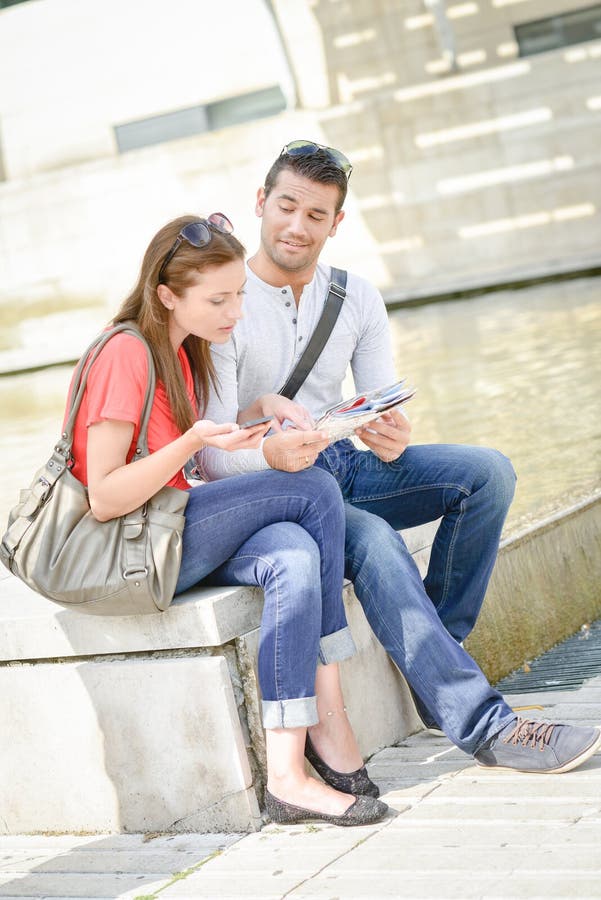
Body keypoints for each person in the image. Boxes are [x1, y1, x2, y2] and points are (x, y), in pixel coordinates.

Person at [196, 141, 601, 776]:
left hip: (344, 465)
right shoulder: (222, 302)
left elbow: (379, 401)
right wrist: (271, 451)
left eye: (316, 215)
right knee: (379, 541)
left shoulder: (356, 297)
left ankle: (438, 653)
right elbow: (211, 457)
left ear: (337, 223)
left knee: (487, 473)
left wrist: (390, 433)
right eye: (286, 206)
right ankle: (485, 724)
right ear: (260, 203)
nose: (297, 226)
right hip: (279, 490)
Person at [66, 212, 388, 827]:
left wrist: (258, 409)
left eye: (239, 293)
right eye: (219, 298)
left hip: (172, 528)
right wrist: (191, 444)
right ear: (165, 295)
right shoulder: (125, 354)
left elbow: (183, 449)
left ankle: (288, 776)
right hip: (131, 549)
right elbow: (105, 497)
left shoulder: (184, 351)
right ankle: (330, 710)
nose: (237, 311)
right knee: (315, 489)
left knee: (293, 555)